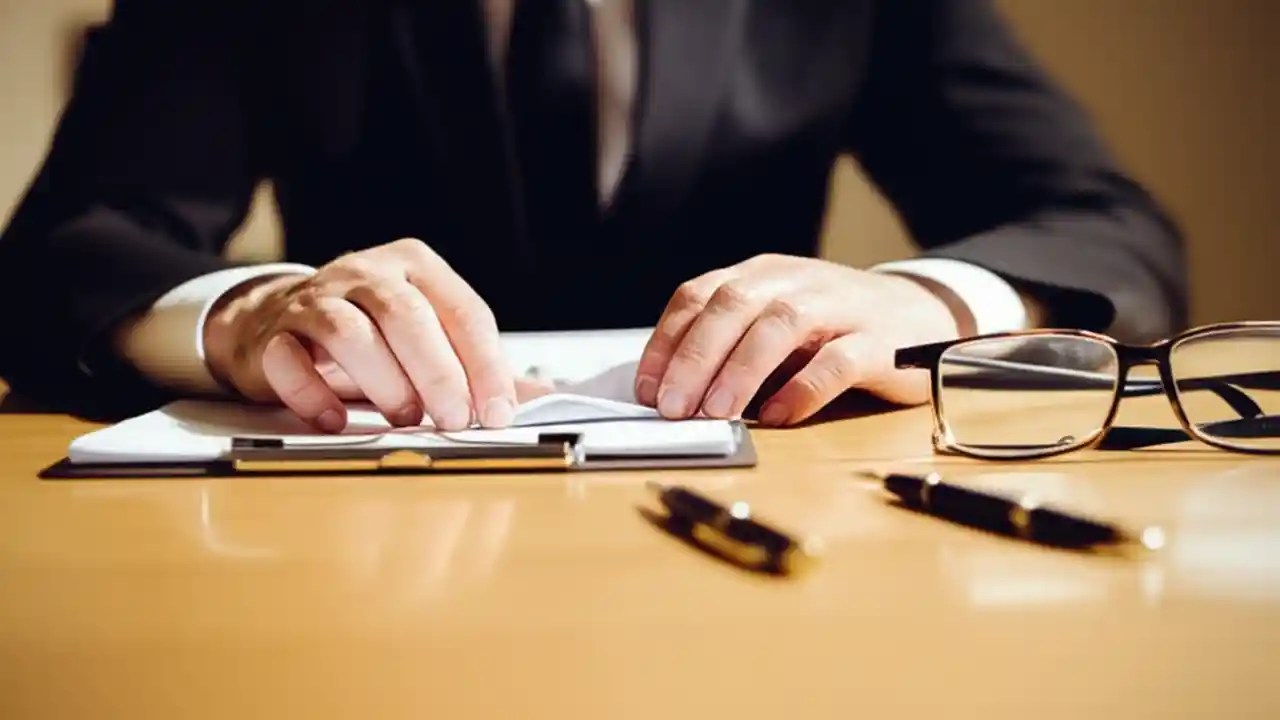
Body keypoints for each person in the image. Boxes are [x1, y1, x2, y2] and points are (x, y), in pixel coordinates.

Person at [0, 0, 1186, 432]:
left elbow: (1102, 225)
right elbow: (64, 249)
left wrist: (913, 301)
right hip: (357, 535)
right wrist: (247, 309)